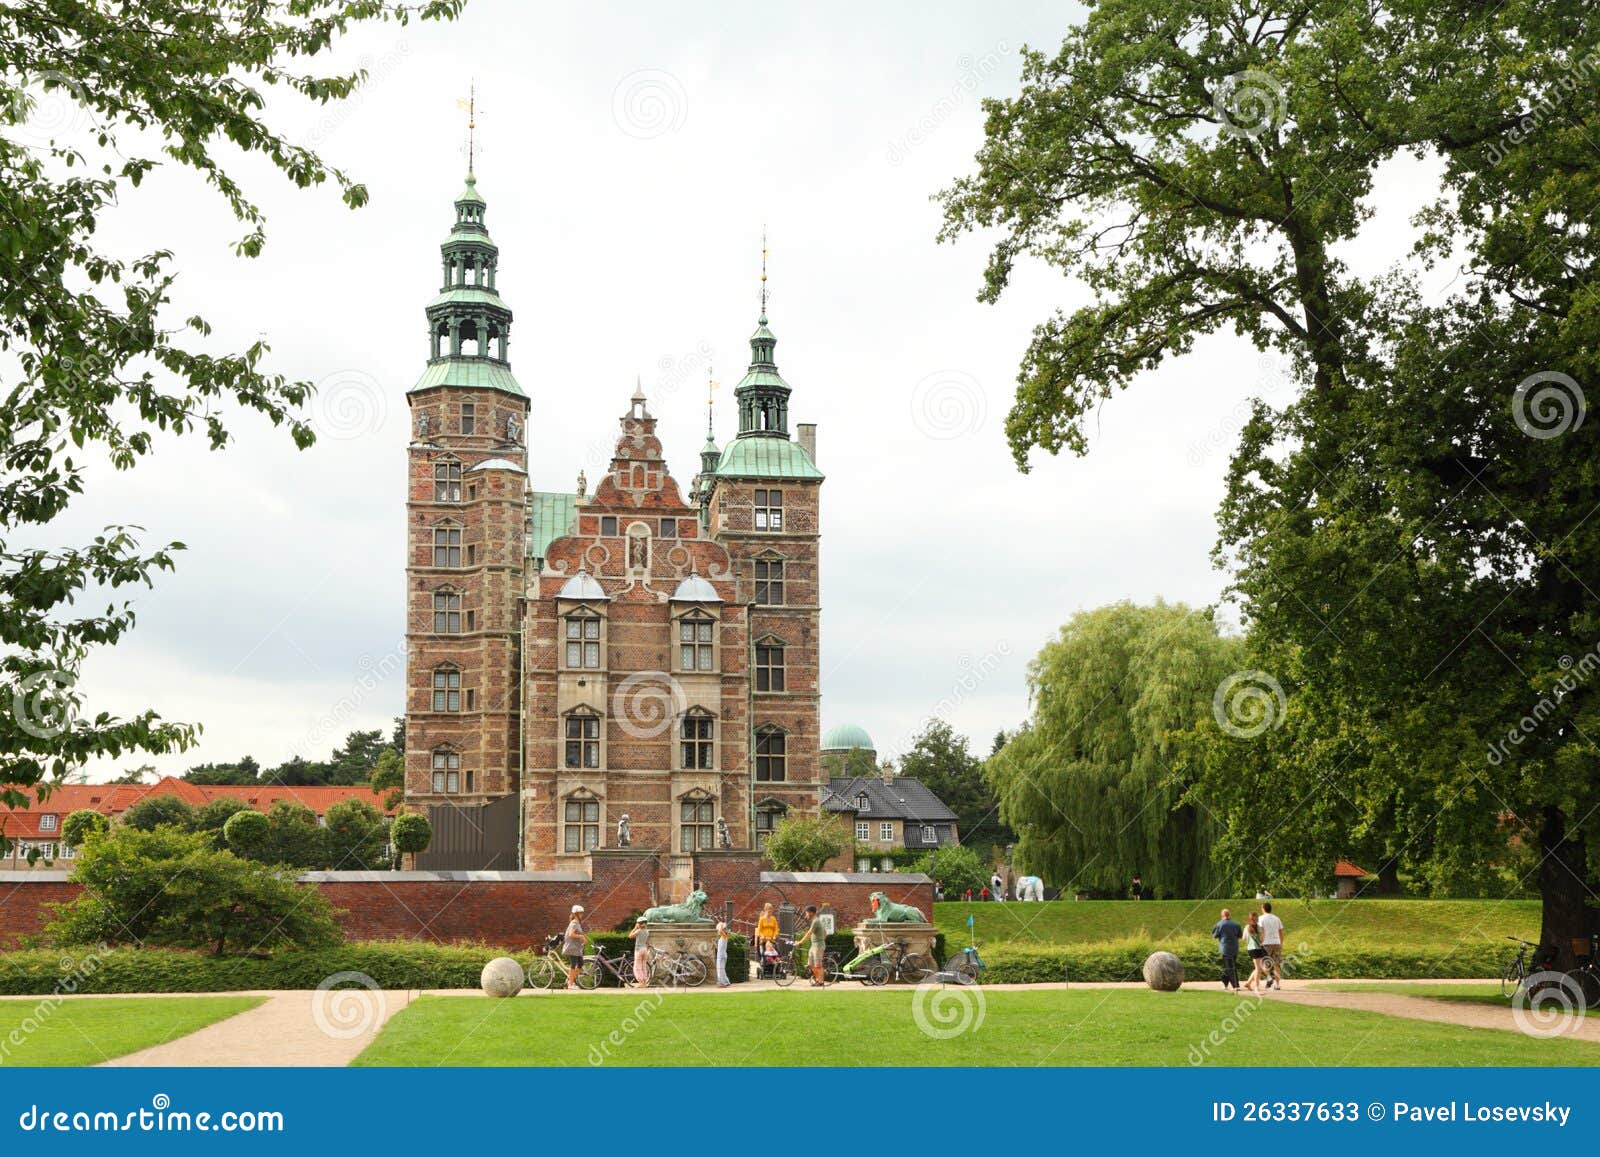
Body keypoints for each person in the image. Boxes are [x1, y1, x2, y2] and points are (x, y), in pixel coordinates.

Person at [1210, 907, 1243, 991]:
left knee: (1230, 967)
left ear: (1222, 915)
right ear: (1229, 915)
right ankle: (1225, 983)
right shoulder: (1237, 924)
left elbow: (1214, 936)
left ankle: (1236, 985)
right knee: (1230, 966)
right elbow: (1240, 936)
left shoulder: (1219, 924)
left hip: (1225, 948)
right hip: (1235, 948)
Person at [795, 904, 827, 986]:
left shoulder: (816, 921)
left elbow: (809, 933)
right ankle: (818, 980)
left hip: (818, 946)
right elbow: (825, 933)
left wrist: (800, 942)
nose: (806, 915)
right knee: (811, 964)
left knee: (818, 965)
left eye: (806, 913)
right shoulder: (816, 921)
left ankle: (821, 982)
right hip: (814, 945)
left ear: (811, 913)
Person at [1257, 901, 1285, 989]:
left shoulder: (1261, 918)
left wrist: (1259, 942)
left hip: (1266, 943)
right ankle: (1277, 985)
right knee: (1276, 964)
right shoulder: (1277, 918)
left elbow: (1261, 931)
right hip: (1276, 943)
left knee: (1263, 963)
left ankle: (1269, 977)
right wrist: (1281, 943)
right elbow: (1281, 932)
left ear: (1263, 909)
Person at [562, 904, 587, 990]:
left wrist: (583, 938)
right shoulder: (574, 923)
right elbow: (571, 934)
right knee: (573, 965)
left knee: (580, 964)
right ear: (575, 914)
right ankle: (570, 984)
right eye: (580, 913)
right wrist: (581, 937)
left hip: (577, 948)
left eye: (582, 913)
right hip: (572, 947)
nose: (581, 915)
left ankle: (569, 981)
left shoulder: (577, 923)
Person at [1242, 911, 1267, 993]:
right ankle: (1256, 987)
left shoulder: (1246, 927)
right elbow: (1261, 940)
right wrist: (1263, 933)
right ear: (1257, 919)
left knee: (1257, 968)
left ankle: (1248, 983)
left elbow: (1243, 939)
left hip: (1250, 949)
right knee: (1258, 968)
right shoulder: (1259, 927)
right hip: (1257, 949)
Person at [628, 915, 650, 987]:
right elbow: (647, 942)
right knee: (643, 966)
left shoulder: (638, 931)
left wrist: (635, 928)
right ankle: (645, 982)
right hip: (645, 950)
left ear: (639, 923)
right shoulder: (647, 931)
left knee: (637, 967)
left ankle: (641, 982)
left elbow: (630, 936)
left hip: (638, 950)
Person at [755, 902, 779, 967]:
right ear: (765, 910)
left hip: (771, 940)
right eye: (769, 909)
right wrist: (762, 936)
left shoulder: (773, 919)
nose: (770, 911)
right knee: (763, 953)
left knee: (777, 952)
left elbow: (776, 929)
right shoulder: (762, 919)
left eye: (771, 909)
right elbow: (759, 930)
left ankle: (776, 963)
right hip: (764, 940)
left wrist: (774, 935)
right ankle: (763, 963)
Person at [714, 919, 731, 987]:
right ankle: (726, 981)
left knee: (720, 969)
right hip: (722, 955)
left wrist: (721, 925)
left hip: (721, 956)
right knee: (722, 969)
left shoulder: (724, 936)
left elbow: (721, 930)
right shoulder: (723, 937)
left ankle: (722, 983)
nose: (718, 931)